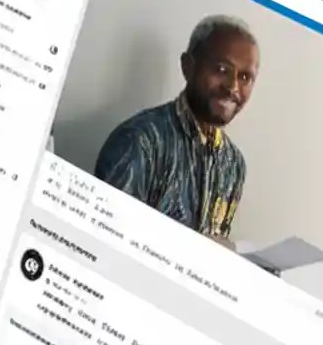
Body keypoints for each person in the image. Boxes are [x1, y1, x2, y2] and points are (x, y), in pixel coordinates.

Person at [93, 15, 260, 248]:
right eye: (222, 69)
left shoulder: (234, 164)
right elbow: (104, 244)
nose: (233, 87)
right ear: (188, 66)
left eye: (245, 77)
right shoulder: (140, 142)